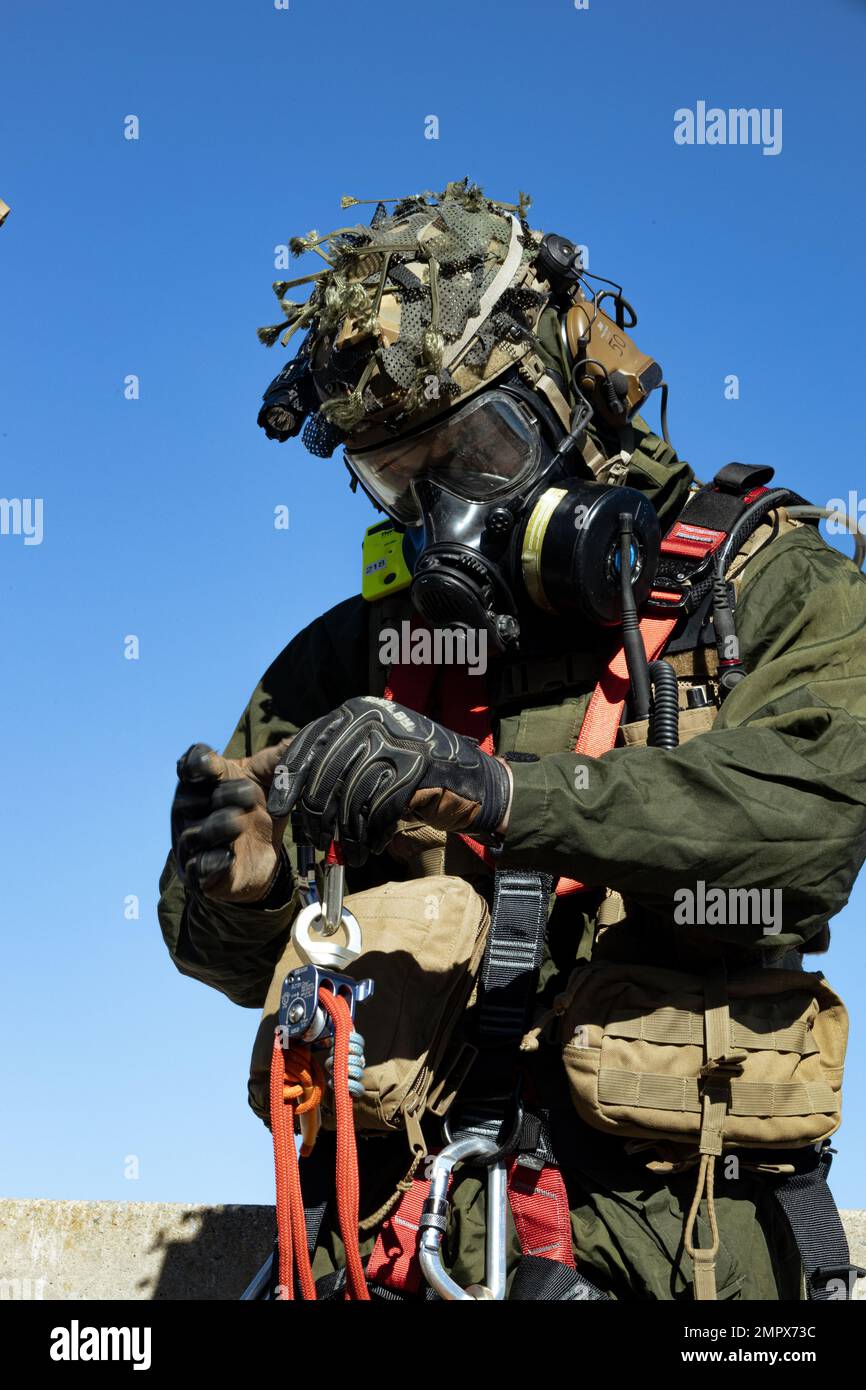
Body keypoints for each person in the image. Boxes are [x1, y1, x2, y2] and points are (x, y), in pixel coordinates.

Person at [159, 180, 866, 1301]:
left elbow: (812, 820)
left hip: (673, 1255)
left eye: (474, 451)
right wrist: (237, 887)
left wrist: (487, 788)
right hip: (399, 1243)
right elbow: (223, 962)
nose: (442, 512)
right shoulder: (360, 653)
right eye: (399, 474)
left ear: (571, 393)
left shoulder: (767, 587)